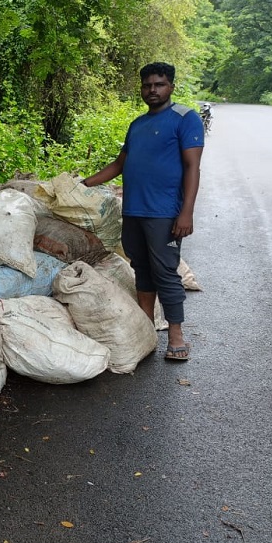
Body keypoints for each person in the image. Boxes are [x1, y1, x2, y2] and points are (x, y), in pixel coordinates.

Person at [82, 62, 204, 360]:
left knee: (165, 271)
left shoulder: (185, 118)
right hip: (133, 210)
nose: (152, 90)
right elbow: (119, 165)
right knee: (142, 269)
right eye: (147, 85)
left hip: (164, 212)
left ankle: (176, 336)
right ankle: (146, 328)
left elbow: (192, 167)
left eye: (159, 84)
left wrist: (186, 212)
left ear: (171, 86)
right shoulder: (137, 125)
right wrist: (82, 184)